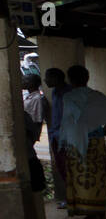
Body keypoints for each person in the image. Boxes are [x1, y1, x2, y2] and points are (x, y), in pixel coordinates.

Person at [60, 65, 106, 219]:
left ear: (70, 79)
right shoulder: (95, 95)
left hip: (76, 143)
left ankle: (89, 213)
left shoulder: (69, 97)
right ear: (87, 78)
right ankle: (99, 212)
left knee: (80, 178)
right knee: (97, 177)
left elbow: (68, 122)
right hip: (96, 141)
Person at [43, 68, 69, 208]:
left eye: (47, 77)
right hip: (56, 135)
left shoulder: (68, 93)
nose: (45, 80)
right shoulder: (55, 92)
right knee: (62, 168)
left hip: (66, 136)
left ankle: (73, 198)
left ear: (56, 78)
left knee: (68, 168)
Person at [22, 74, 49, 194]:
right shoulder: (29, 97)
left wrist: (33, 138)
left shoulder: (37, 98)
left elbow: (37, 121)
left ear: (32, 83)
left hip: (29, 134)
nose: (22, 81)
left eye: (26, 80)